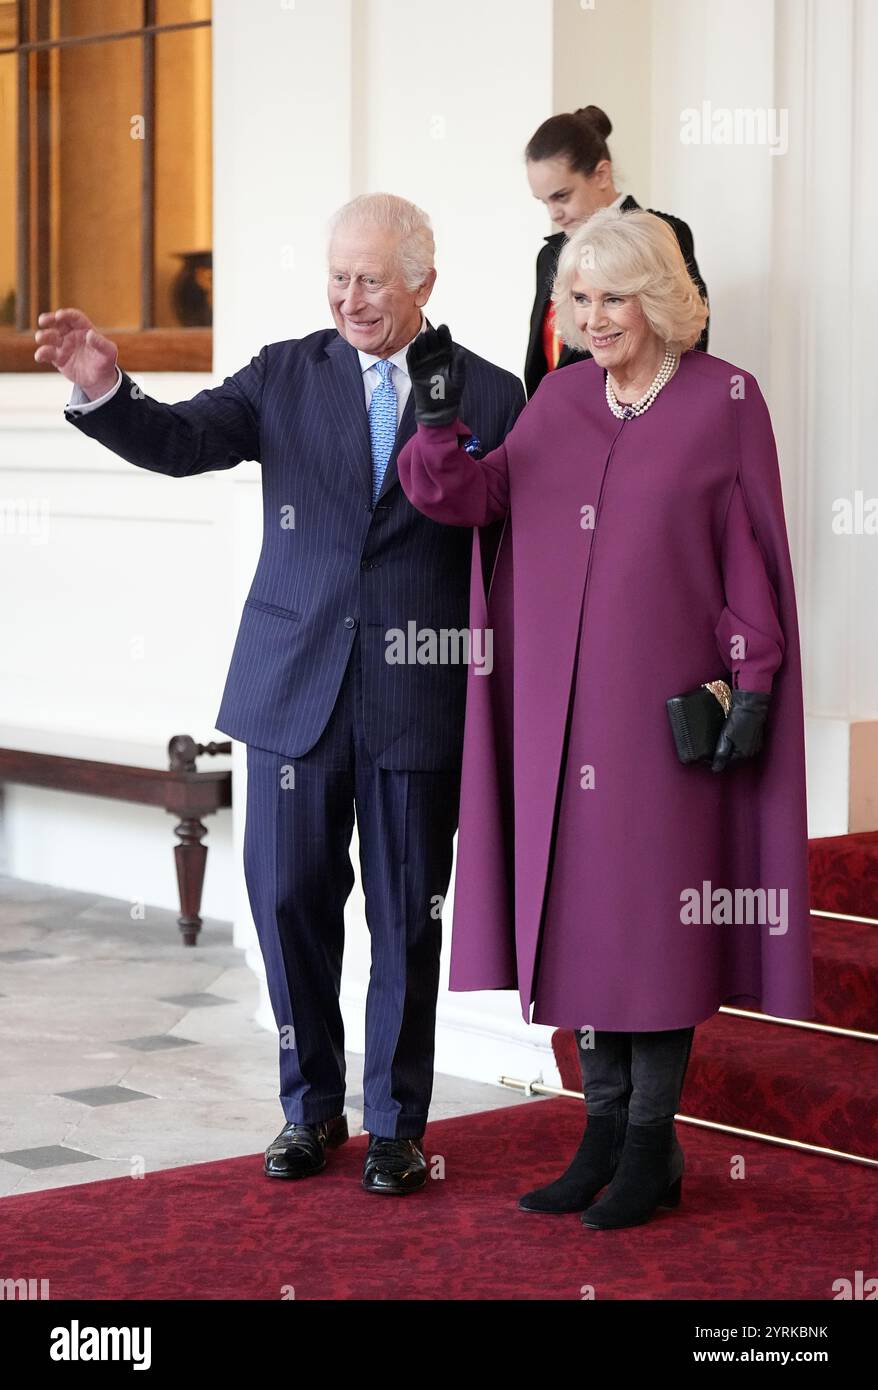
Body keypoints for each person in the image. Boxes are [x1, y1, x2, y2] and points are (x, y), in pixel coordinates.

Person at [34, 193, 525, 1197]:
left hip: (415, 695)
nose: (349, 297)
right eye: (337, 277)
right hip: (292, 688)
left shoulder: (489, 389)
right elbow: (180, 441)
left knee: (405, 918)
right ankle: (309, 1111)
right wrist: (103, 386)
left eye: (371, 279)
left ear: (423, 282)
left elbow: (521, 545)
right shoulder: (285, 371)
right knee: (289, 900)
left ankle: (395, 1127)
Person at [397, 206, 813, 1230]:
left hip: (662, 722)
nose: (591, 316)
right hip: (557, 716)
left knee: (652, 933)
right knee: (579, 926)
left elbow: (749, 545)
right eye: (576, 299)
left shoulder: (724, 399)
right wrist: (438, 422)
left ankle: (644, 1147)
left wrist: (751, 676)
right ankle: (604, 1133)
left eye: (611, 297)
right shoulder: (559, 401)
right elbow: (469, 499)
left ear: (659, 298)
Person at [524, 104, 708, 398]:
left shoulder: (661, 234)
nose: (554, 213)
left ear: (601, 174)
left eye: (562, 196)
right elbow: (544, 364)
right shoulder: (549, 256)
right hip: (558, 423)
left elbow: (686, 342)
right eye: (543, 201)